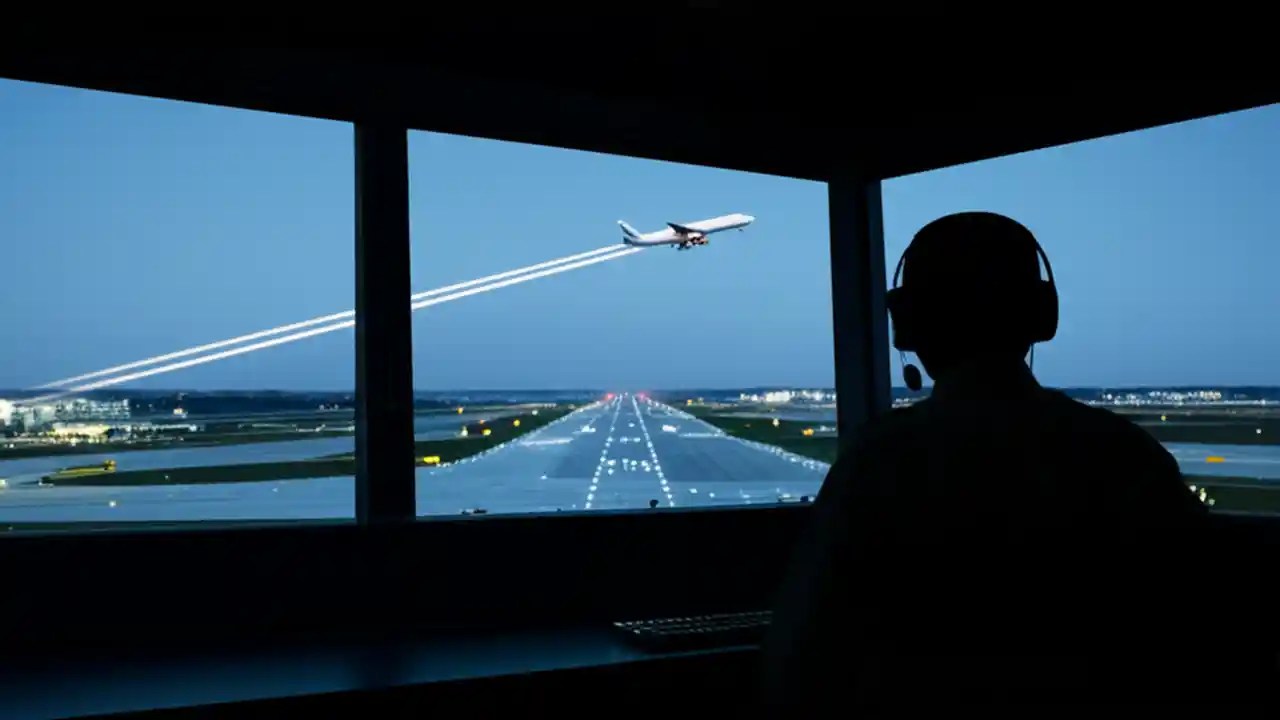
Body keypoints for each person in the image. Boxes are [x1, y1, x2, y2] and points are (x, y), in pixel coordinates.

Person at [760, 212, 1217, 713]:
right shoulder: (1122, 450)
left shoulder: (880, 457)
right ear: (1040, 315)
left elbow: (803, 652)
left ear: (908, 324)